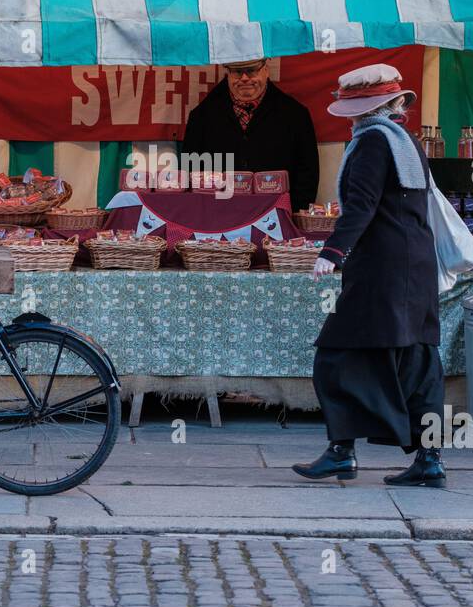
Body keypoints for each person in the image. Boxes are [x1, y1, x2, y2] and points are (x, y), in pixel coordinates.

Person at [291, 63, 447, 488]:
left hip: (381, 269)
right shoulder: (407, 142)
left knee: (336, 355)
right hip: (415, 265)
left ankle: (342, 452)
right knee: (416, 361)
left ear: (362, 109)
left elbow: (361, 205)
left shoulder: (371, 144)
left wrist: (333, 252)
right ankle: (429, 460)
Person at [181, 58, 319, 212]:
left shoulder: (295, 115)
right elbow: (189, 172)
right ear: (228, 74)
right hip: (216, 218)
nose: (245, 78)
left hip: (276, 219)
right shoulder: (201, 117)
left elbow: (308, 174)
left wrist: (292, 216)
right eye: (238, 72)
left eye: (252, 70)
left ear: (266, 71)